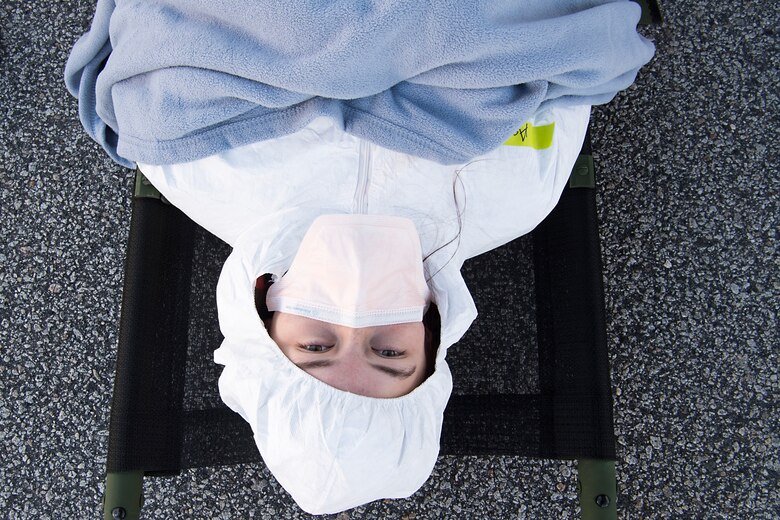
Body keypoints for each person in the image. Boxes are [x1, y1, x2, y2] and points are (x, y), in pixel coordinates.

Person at [65, 0, 654, 514]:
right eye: (389, 352)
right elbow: (576, 40)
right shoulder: (515, 202)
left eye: (316, 346)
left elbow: (162, 33)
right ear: (430, 336)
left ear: (264, 318)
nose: (354, 316)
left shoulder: (197, 175)